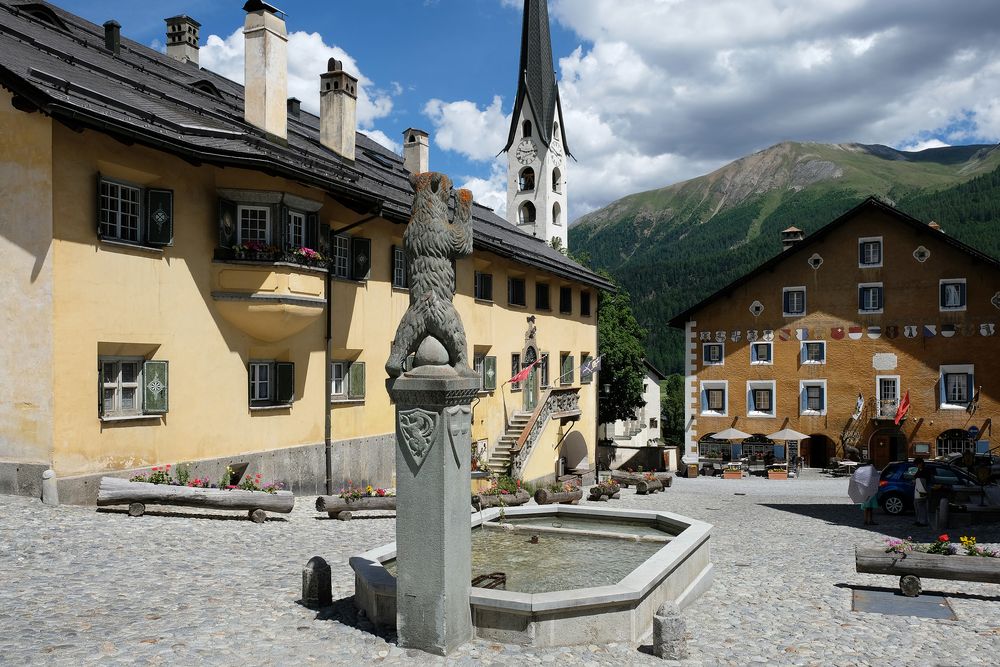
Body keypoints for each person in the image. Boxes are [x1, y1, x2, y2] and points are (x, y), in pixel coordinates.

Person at [913, 457, 932, 527]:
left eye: (917, 464)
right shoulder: (919, 470)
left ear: (920, 463)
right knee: (917, 505)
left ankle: (923, 521)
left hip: (923, 489)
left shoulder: (925, 470)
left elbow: (924, 480)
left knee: (921, 506)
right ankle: (918, 520)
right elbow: (916, 477)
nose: (916, 466)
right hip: (918, 489)